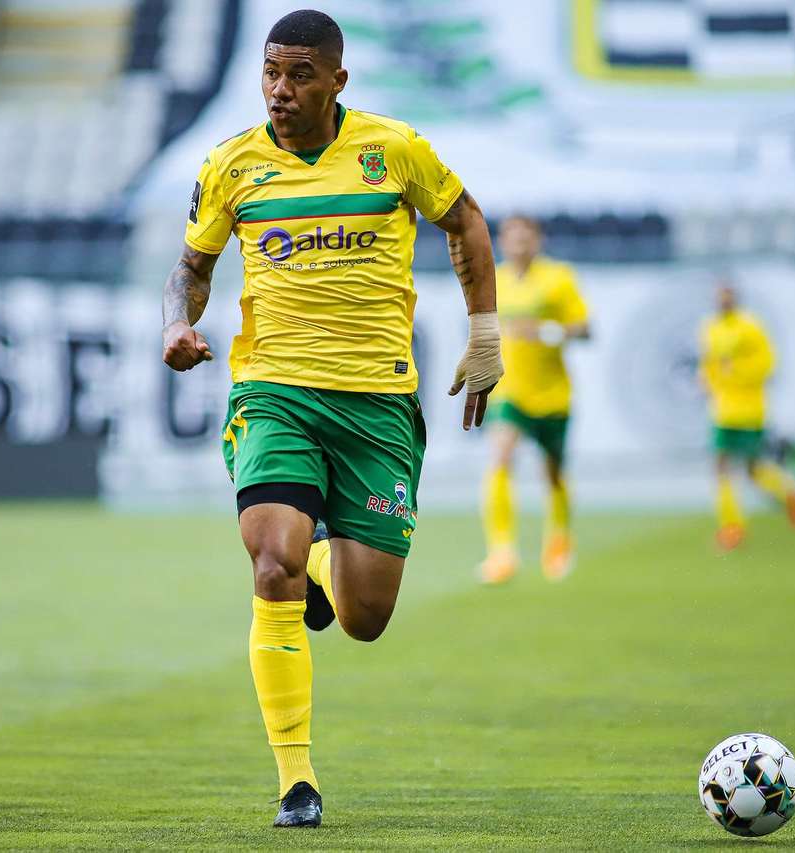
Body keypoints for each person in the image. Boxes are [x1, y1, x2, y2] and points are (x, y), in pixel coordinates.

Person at [160, 9, 502, 828]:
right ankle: (296, 781)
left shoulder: (393, 151)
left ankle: (325, 572)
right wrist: (176, 322)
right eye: (272, 74)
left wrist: (486, 334)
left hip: (378, 405)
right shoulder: (232, 163)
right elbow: (190, 267)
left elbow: (467, 224)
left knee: (365, 618)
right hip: (274, 391)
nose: (282, 91)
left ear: (338, 80)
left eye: (301, 75)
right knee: (271, 562)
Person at [478, 216, 589, 584]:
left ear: (538, 239)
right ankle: (501, 552)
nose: (519, 243)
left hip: (553, 394)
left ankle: (558, 541)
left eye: (526, 236)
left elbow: (585, 330)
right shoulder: (496, 279)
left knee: (553, 471)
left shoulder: (558, 278)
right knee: (500, 458)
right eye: (511, 237)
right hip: (510, 392)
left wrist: (545, 331)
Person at [699, 284, 795, 550]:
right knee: (732, 467)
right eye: (719, 296)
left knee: (746, 468)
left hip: (748, 410)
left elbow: (767, 364)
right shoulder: (711, 328)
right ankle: (788, 495)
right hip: (723, 410)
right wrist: (707, 382)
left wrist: (733, 370)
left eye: (727, 296)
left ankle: (737, 525)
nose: (722, 300)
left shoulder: (751, 327)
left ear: (736, 299)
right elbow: (710, 364)